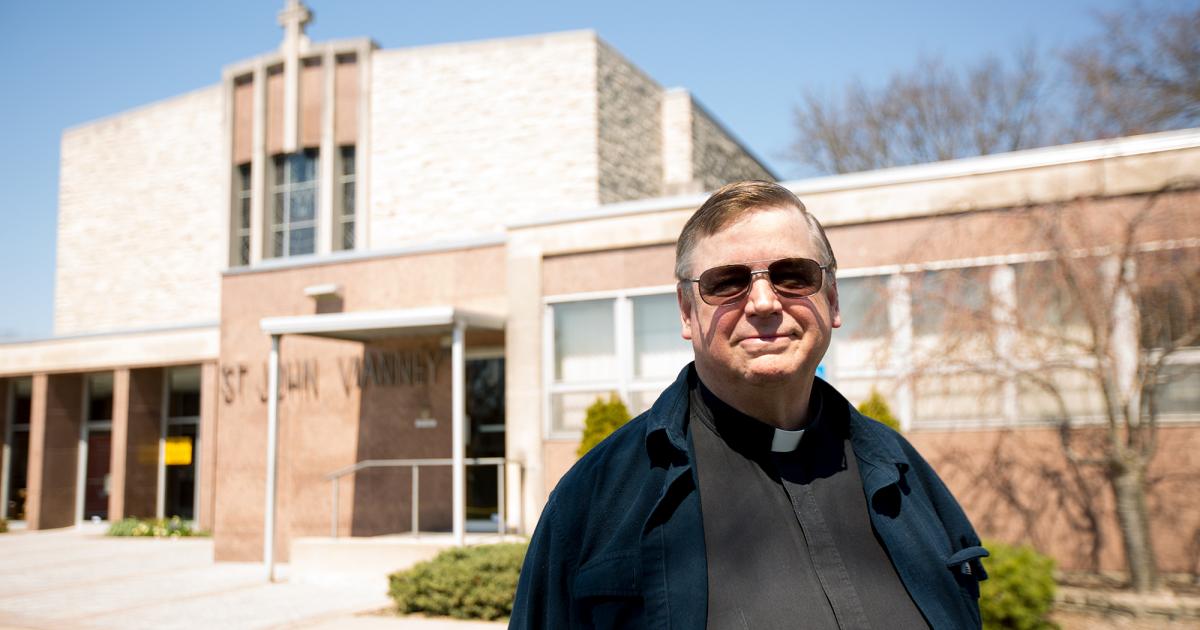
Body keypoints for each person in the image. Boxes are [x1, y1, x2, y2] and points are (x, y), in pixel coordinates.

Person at [510, 180, 987, 629]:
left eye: (793, 275)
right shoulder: (597, 498)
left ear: (833, 300)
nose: (763, 302)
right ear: (686, 312)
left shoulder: (903, 473)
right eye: (726, 282)